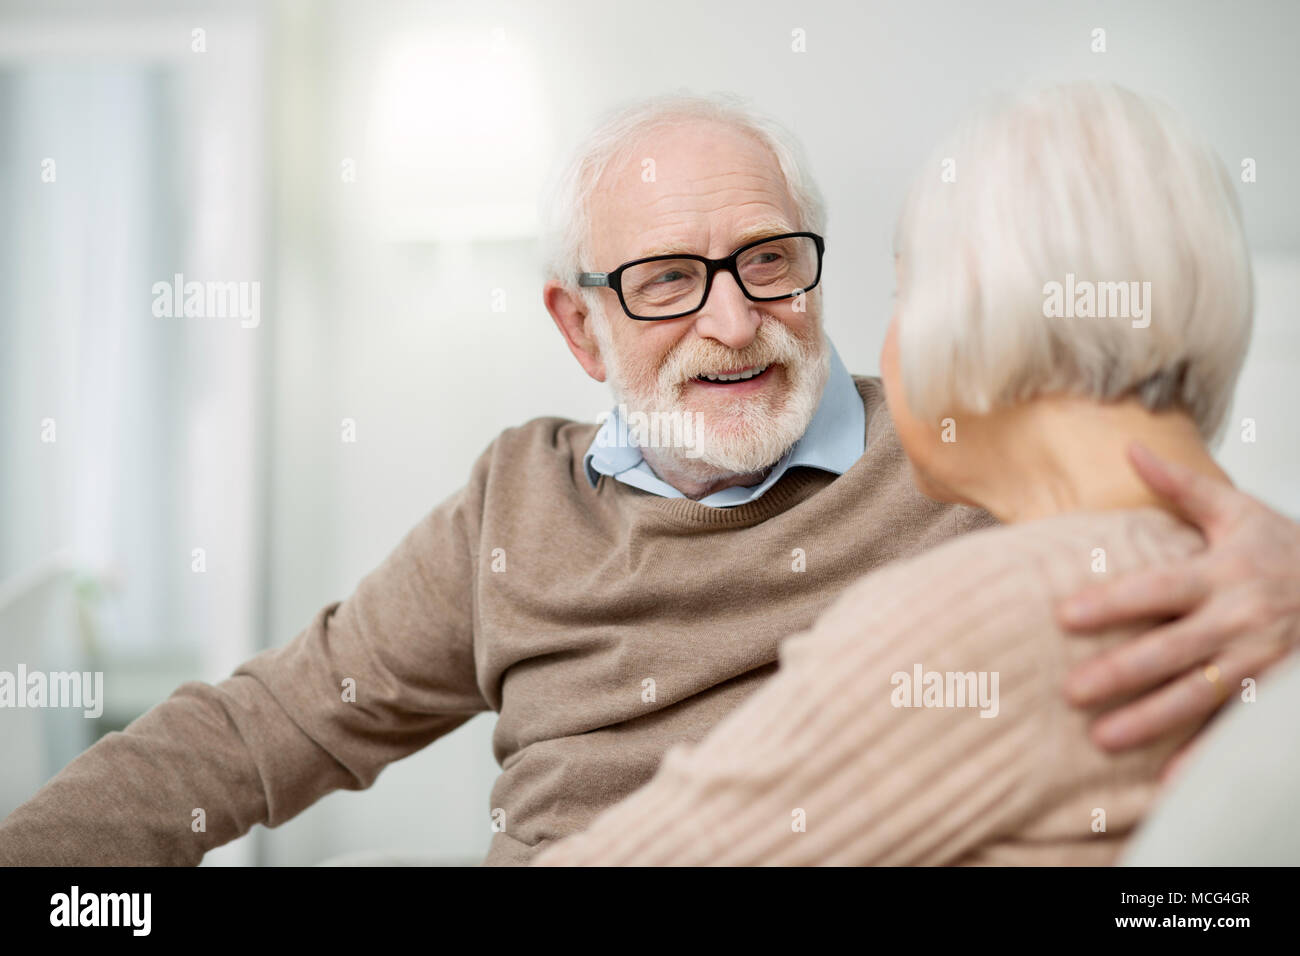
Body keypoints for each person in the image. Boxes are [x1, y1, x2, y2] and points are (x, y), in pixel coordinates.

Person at [1, 91, 1297, 866]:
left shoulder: (967, 456)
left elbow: (1159, 532)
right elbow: (263, 728)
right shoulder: (515, 502)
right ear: (581, 328)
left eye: (771, 262)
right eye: (668, 282)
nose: (735, 324)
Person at [533, 82, 1292, 865]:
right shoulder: (1259, 588)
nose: (733, 324)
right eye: (669, 280)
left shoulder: (983, 621)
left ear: (970, 317)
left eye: (906, 296)